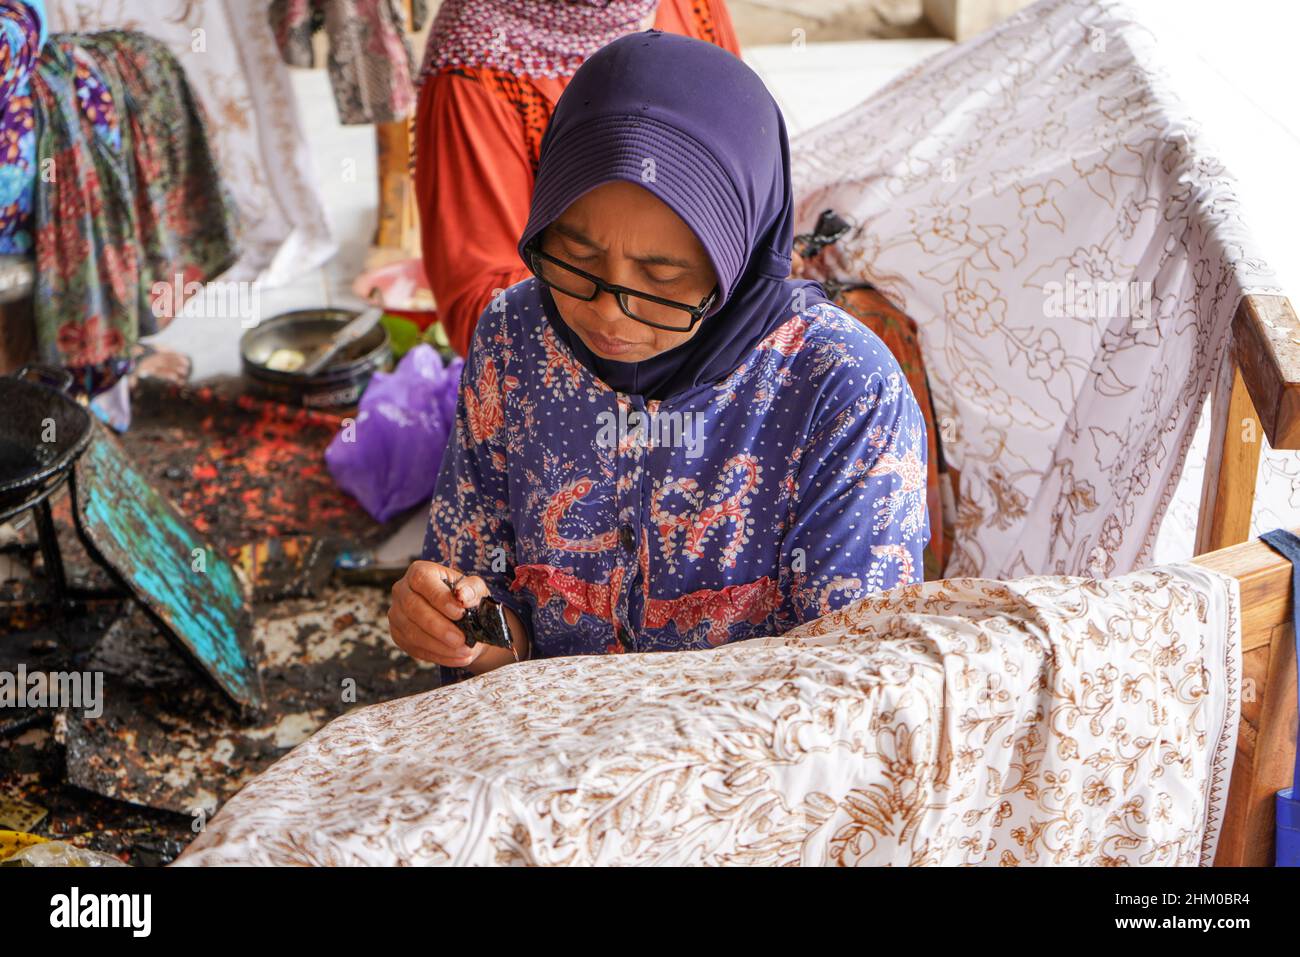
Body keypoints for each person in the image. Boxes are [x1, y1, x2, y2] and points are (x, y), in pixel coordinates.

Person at [388, 32, 930, 683]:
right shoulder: (516, 333)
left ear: (739, 258)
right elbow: (492, 607)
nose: (609, 313)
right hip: (544, 750)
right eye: (576, 258)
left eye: (663, 277)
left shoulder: (840, 390)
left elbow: (853, 685)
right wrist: (463, 631)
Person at [414, 0, 740, 358]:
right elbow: (483, 311)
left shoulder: (689, 7)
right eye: (580, 253)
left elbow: (743, 158)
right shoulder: (475, 71)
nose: (610, 307)